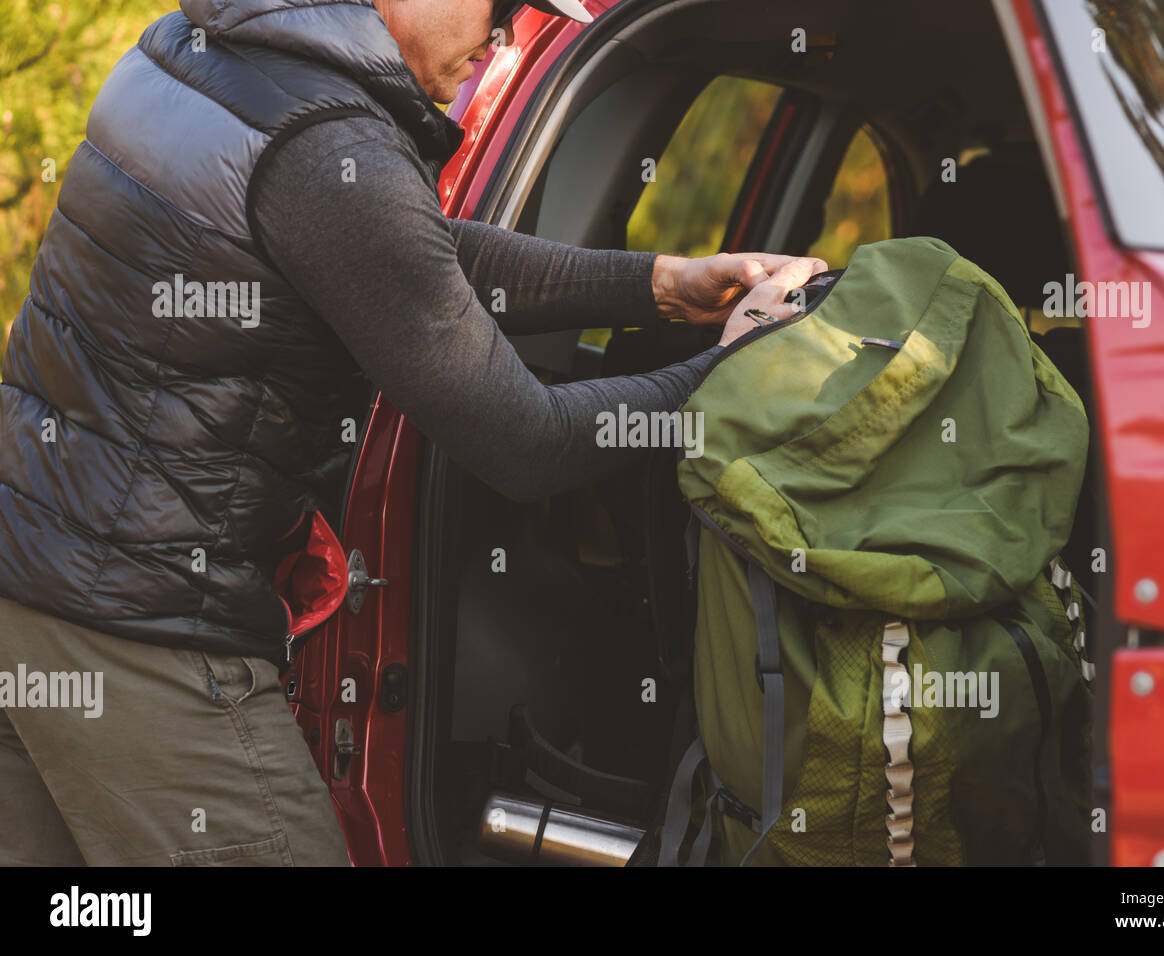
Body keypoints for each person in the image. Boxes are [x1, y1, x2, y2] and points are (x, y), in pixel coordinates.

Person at [0, 0, 824, 866]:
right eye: (502, 6)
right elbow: (525, 443)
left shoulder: (205, 48)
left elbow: (400, 252)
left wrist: (659, 285)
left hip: (31, 591)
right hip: (144, 634)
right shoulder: (327, 141)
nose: (506, 33)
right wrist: (735, 363)